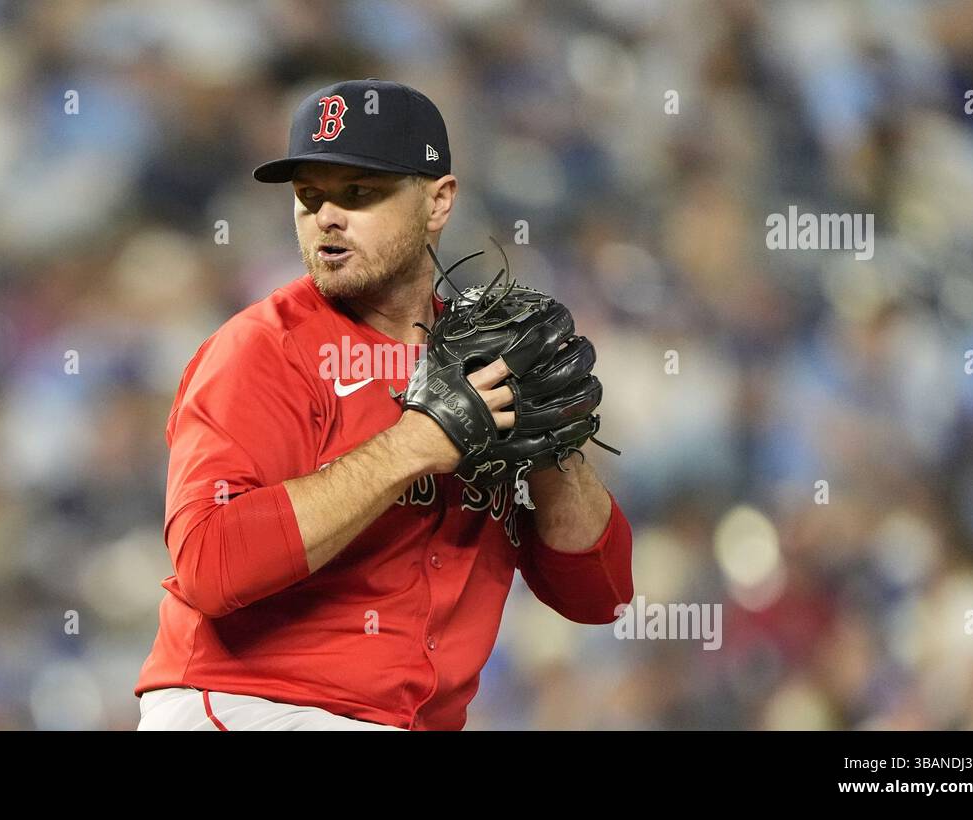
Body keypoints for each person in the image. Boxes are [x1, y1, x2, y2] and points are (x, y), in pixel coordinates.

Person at [134, 79, 633, 730]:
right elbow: (210, 562)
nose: (327, 217)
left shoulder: (484, 363)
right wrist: (411, 444)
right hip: (251, 706)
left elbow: (601, 596)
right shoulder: (261, 351)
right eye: (309, 197)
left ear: (438, 202)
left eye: (358, 193)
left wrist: (553, 446)